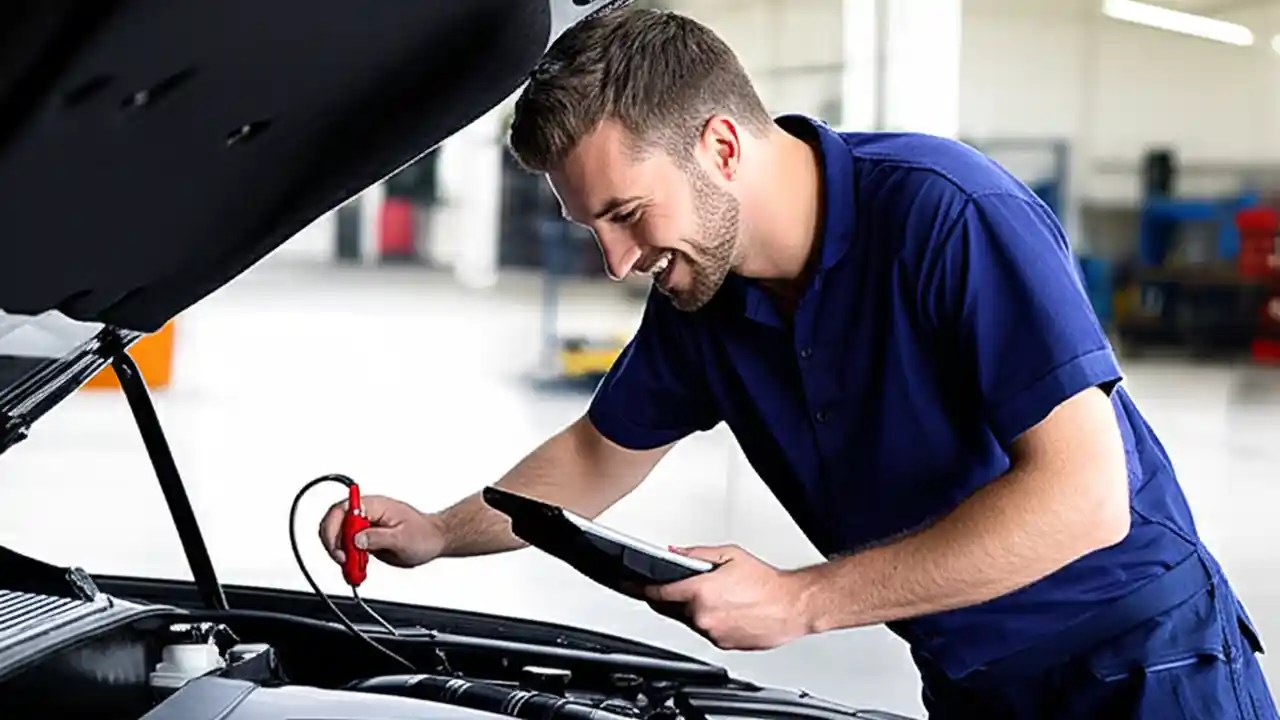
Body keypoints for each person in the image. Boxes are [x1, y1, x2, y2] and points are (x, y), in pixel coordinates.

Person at [320, 7, 1276, 718]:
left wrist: (801, 600)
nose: (617, 262)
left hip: (1143, 669)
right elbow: (594, 456)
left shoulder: (949, 216)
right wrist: (441, 532)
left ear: (722, 145)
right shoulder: (705, 291)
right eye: (591, 229)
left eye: (624, 215)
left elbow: (1085, 497)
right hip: (970, 678)